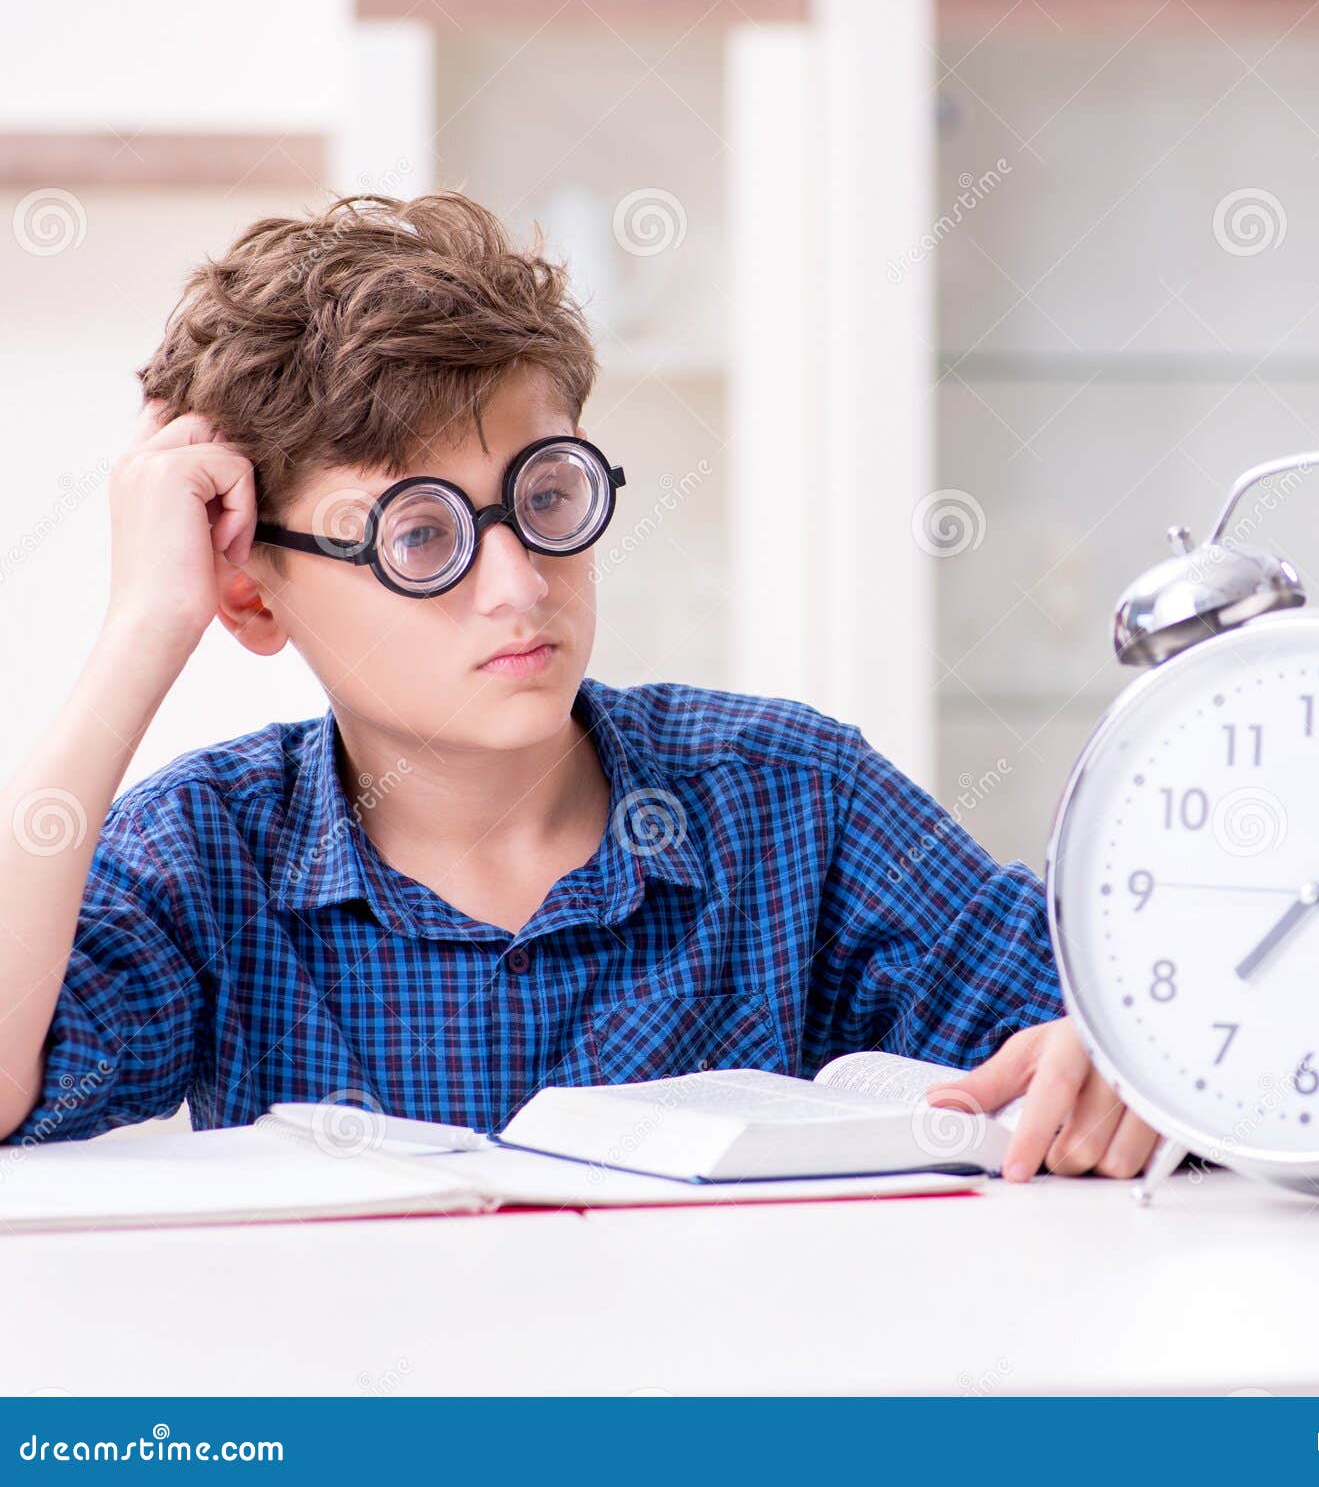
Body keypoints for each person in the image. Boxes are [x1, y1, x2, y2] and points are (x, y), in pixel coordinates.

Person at [0, 191, 1159, 1182]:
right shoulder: (210, 853)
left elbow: (1143, 1025)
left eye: (546, 498)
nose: (517, 585)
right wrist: (147, 625)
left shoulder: (795, 804)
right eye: (419, 537)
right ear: (254, 595)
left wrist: (1120, 1061)